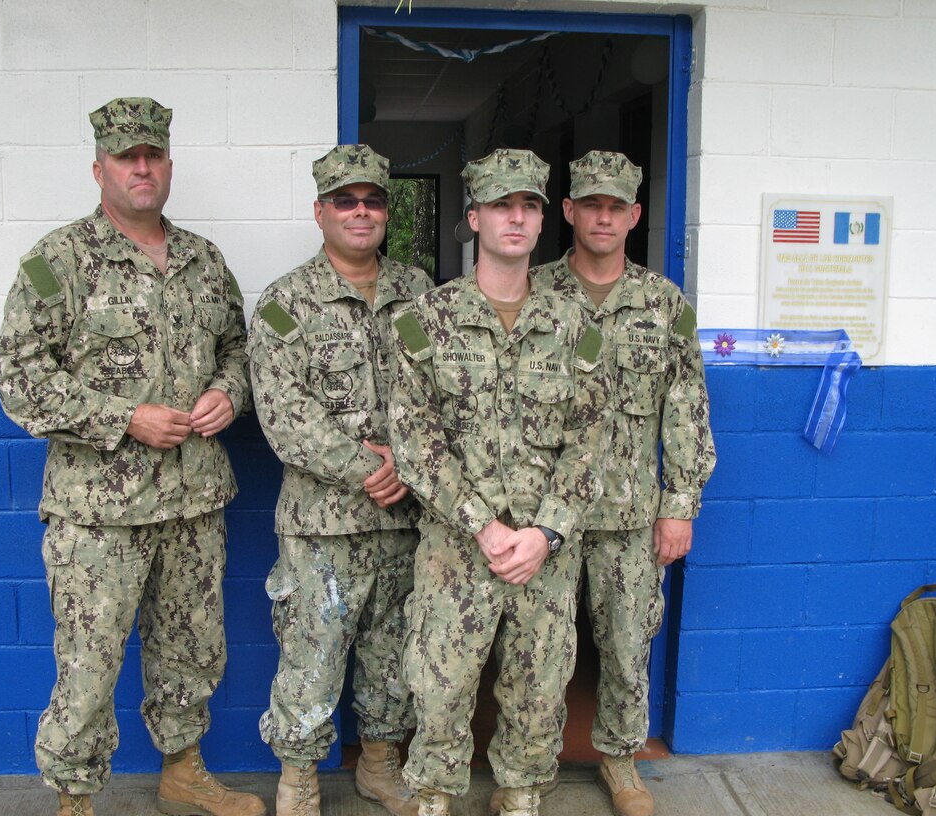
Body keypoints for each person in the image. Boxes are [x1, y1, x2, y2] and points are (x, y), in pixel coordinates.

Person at [0, 97, 262, 816]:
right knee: (87, 665)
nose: (141, 168)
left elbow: (239, 351)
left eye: (152, 156)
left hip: (193, 500)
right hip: (98, 513)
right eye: (126, 157)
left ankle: (182, 770)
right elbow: (20, 378)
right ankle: (76, 799)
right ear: (99, 167)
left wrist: (228, 395)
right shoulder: (58, 263)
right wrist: (124, 418)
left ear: (169, 166)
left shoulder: (206, 262)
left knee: (192, 650)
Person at [388, 149, 612, 816]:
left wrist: (544, 532)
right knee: (440, 685)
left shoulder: (579, 327)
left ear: (543, 221)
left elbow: (590, 442)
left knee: (540, 688)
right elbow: (414, 439)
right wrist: (483, 525)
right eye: (501, 206)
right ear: (473, 219)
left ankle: (520, 793)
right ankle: (433, 794)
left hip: (543, 551)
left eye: (528, 206)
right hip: (458, 547)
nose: (516, 217)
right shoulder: (423, 322)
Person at [531, 151, 716, 816]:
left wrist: (680, 505)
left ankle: (619, 761)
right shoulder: (536, 293)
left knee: (627, 645)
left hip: (633, 512)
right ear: (570, 211)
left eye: (617, 206)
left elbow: (687, 408)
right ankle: (535, 761)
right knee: (540, 648)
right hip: (546, 513)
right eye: (591, 204)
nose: (603, 217)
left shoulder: (665, 305)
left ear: (635, 215)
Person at [249, 144, 431, 816]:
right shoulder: (285, 304)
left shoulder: (420, 294)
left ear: (387, 210)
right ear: (320, 211)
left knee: (394, 652)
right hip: (323, 524)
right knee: (312, 655)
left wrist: (407, 465)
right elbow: (281, 410)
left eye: (374, 199)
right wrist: (369, 467)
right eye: (346, 200)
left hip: (408, 518)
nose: (362, 211)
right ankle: (298, 778)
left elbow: (449, 396)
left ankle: (379, 766)